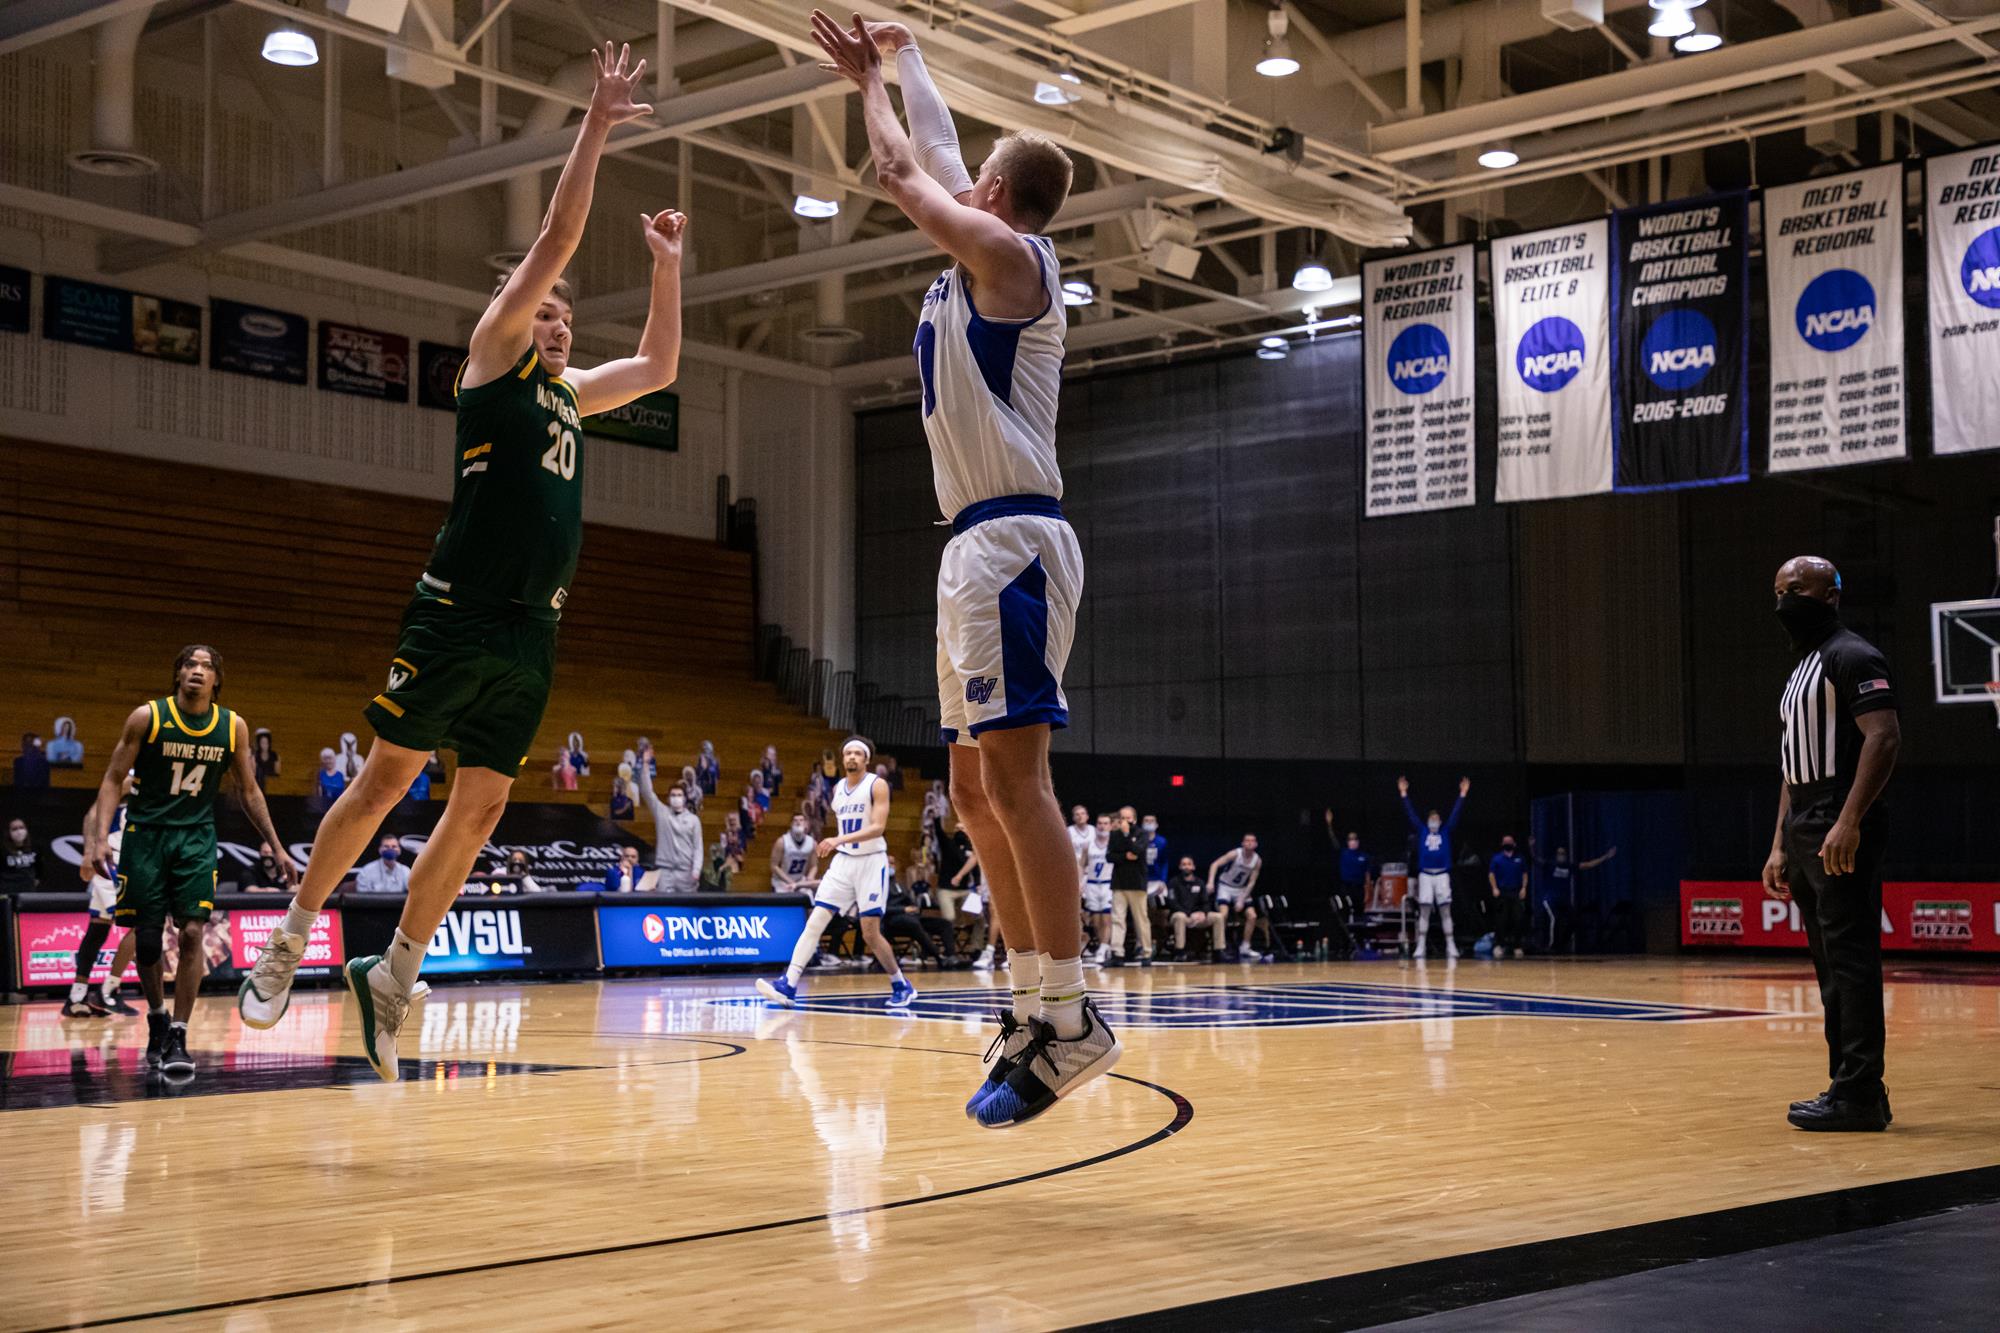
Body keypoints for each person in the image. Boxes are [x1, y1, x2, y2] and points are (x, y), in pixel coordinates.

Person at [231, 43, 686, 1082]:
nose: (560, 324)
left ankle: (394, 971)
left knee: (478, 807)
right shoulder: (491, 358)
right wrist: (599, 123)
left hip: (533, 629)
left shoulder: (573, 396)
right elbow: (557, 234)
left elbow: (659, 365)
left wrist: (665, 265)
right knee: (389, 777)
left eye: (569, 318)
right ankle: (292, 933)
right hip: (458, 609)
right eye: (550, 312)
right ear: (521, 319)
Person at [815, 6, 1106, 1128]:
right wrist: (905, 55)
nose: (960, 171)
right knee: (973, 790)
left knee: (1019, 783)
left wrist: (866, 86)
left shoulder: (1011, 258)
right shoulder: (982, 233)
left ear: (998, 196)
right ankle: (1032, 1002)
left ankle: (1070, 1011)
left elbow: (900, 167)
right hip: (970, 543)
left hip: (1014, 539)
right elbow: (934, 151)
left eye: (976, 172)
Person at [83, 646, 296, 1076]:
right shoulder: (147, 717)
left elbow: (250, 790)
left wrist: (276, 843)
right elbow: (111, 779)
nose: (197, 671)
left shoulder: (232, 726)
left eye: (206, 666)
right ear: (177, 674)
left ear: (217, 679)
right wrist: (101, 836)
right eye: (189, 665)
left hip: (196, 839)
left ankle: (179, 1032)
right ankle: (157, 1017)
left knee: (193, 933)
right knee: (145, 942)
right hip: (145, 836)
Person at [1763, 556, 1900, 1132]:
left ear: (1831, 594)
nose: (1786, 599)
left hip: (1837, 815)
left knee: (1851, 963)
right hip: (1804, 822)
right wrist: (1778, 844)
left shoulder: (1853, 655)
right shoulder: (1801, 668)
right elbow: (1791, 767)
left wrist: (1848, 821)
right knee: (1829, 969)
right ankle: (1846, 1086)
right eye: (1779, 590)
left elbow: (1884, 736)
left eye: (1798, 589)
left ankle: (1861, 1093)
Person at [758, 737, 916, 1010]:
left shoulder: (876, 785)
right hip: (844, 862)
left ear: (866, 759)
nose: (852, 757)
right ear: (843, 760)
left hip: (870, 861)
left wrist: (837, 840)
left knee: (869, 933)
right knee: (815, 922)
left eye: (857, 753)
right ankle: (789, 984)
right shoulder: (839, 790)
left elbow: (878, 827)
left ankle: (900, 983)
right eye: (848, 753)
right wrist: (840, 843)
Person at [65, 780, 141, 1017]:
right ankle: (108, 991)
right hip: (114, 860)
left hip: (129, 861)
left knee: (98, 928)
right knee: (144, 924)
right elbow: (93, 811)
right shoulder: (135, 775)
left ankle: (77, 996)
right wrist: (88, 852)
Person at [1400, 775, 1469, 960]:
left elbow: (1456, 814)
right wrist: (1404, 794)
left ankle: (1451, 944)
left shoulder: (1446, 831)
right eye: (1431, 818)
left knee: (1446, 910)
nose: (1434, 821)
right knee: (1424, 910)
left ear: (1440, 821)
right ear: (1428, 820)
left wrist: (1462, 794)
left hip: (1442, 875)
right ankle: (1420, 945)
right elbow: (1411, 814)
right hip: (1425, 875)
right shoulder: (1422, 831)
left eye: (1436, 819)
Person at [635, 744, 703, 892]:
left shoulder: (693, 820)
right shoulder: (662, 812)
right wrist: (645, 764)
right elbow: (647, 792)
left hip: (687, 871)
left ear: (685, 798)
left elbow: (698, 848)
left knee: (687, 910)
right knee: (665, 908)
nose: (676, 798)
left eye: (679, 795)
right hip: (665, 871)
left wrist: (696, 870)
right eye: (673, 795)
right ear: (668, 798)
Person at [935, 815, 987, 964]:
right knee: (949, 919)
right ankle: (950, 953)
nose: (959, 831)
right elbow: (938, 832)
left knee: (979, 917)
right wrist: (937, 817)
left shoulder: (972, 849)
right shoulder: (948, 845)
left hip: (964, 890)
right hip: (946, 890)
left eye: (962, 828)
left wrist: (977, 883)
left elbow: (975, 867)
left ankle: (976, 949)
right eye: (956, 828)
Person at [1107, 806, 1153, 966]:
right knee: (1117, 919)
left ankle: (1147, 952)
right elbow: (1110, 856)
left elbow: (1137, 850)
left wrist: (1127, 836)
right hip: (1119, 882)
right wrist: (1125, 855)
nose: (1125, 821)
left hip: (1137, 883)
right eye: (1122, 818)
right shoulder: (1114, 834)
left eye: (1128, 818)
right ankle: (1117, 953)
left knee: (1141, 919)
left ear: (1134, 818)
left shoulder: (1142, 834)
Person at [1209, 834, 1266, 962]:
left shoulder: (1257, 860)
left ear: (1256, 844)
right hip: (1225, 886)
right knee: (1223, 915)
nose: (1250, 843)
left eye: (1252, 841)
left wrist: (1242, 899)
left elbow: (1252, 882)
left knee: (1252, 916)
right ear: (1242, 843)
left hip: (1240, 889)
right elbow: (1215, 864)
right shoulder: (1235, 854)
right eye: (1247, 840)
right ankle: (1220, 946)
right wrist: (1211, 882)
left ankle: (1245, 946)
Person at [1165, 856, 1220, 961]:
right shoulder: (1173, 882)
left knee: (1218, 917)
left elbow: (1205, 902)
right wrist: (1189, 914)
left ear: (1193, 867)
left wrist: (1203, 912)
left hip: (1198, 917)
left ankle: (1218, 950)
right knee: (1180, 917)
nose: (1186, 866)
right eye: (1184, 864)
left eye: (1189, 864)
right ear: (1180, 867)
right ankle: (1179, 951)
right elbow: (1172, 903)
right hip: (1181, 915)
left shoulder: (1200, 882)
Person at [1080, 813, 1114, 965]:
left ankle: (1103, 948)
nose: (1102, 826)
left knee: (1107, 918)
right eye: (1100, 823)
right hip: (1092, 883)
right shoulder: (1089, 844)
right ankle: (1102, 946)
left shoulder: (1114, 844)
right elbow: (1081, 864)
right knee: (1095, 919)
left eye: (1106, 823)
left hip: (1108, 884)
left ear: (1110, 826)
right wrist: (1081, 882)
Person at [1488, 836, 1527, 958]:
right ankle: (1499, 945)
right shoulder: (1497, 858)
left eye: (1509, 842)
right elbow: (1491, 874)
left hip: (1515, 892)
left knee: (1518, 919)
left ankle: (1517, 946)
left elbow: (1524, 874)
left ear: (1514, 844)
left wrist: (1524, 888)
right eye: (1505, 842)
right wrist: (1494, 888)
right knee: (1501, 920)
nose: (1507, 844)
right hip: (1502, 892)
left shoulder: (1519, 858)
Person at [771, 813, 820, 894]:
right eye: (795, 820)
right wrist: (790, 882)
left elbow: (814, 866)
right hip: (782, 882)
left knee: (810, 901)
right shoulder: (782, 841)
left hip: (800, 881)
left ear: (806, 824)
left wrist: (810, 878)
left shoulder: (812, 843)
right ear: (790, 824)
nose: (798, 822)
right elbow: (774, 866)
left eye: (801, 820)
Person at [1336, 824, 1374, 922]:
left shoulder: (1364, 856)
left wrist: (1368, 890)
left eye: (1355, 840)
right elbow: (1333, 840)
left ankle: (1359, 930)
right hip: (1346, 886)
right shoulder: (1343, 853)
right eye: (1350, 840)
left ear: (1358, 842)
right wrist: (1329, 826)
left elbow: (1367, 874)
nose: (1353, 842)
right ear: (1348, 842)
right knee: (1345, 908)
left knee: (1359, 910)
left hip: (1359, 887)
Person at [3, 817, 41, 893]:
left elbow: (39, 870)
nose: (19, 831)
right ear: (8, 832)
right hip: (8, 893)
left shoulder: (34, 848)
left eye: (21, 827)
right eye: (14, 829)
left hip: (28, 894)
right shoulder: (3, 851)